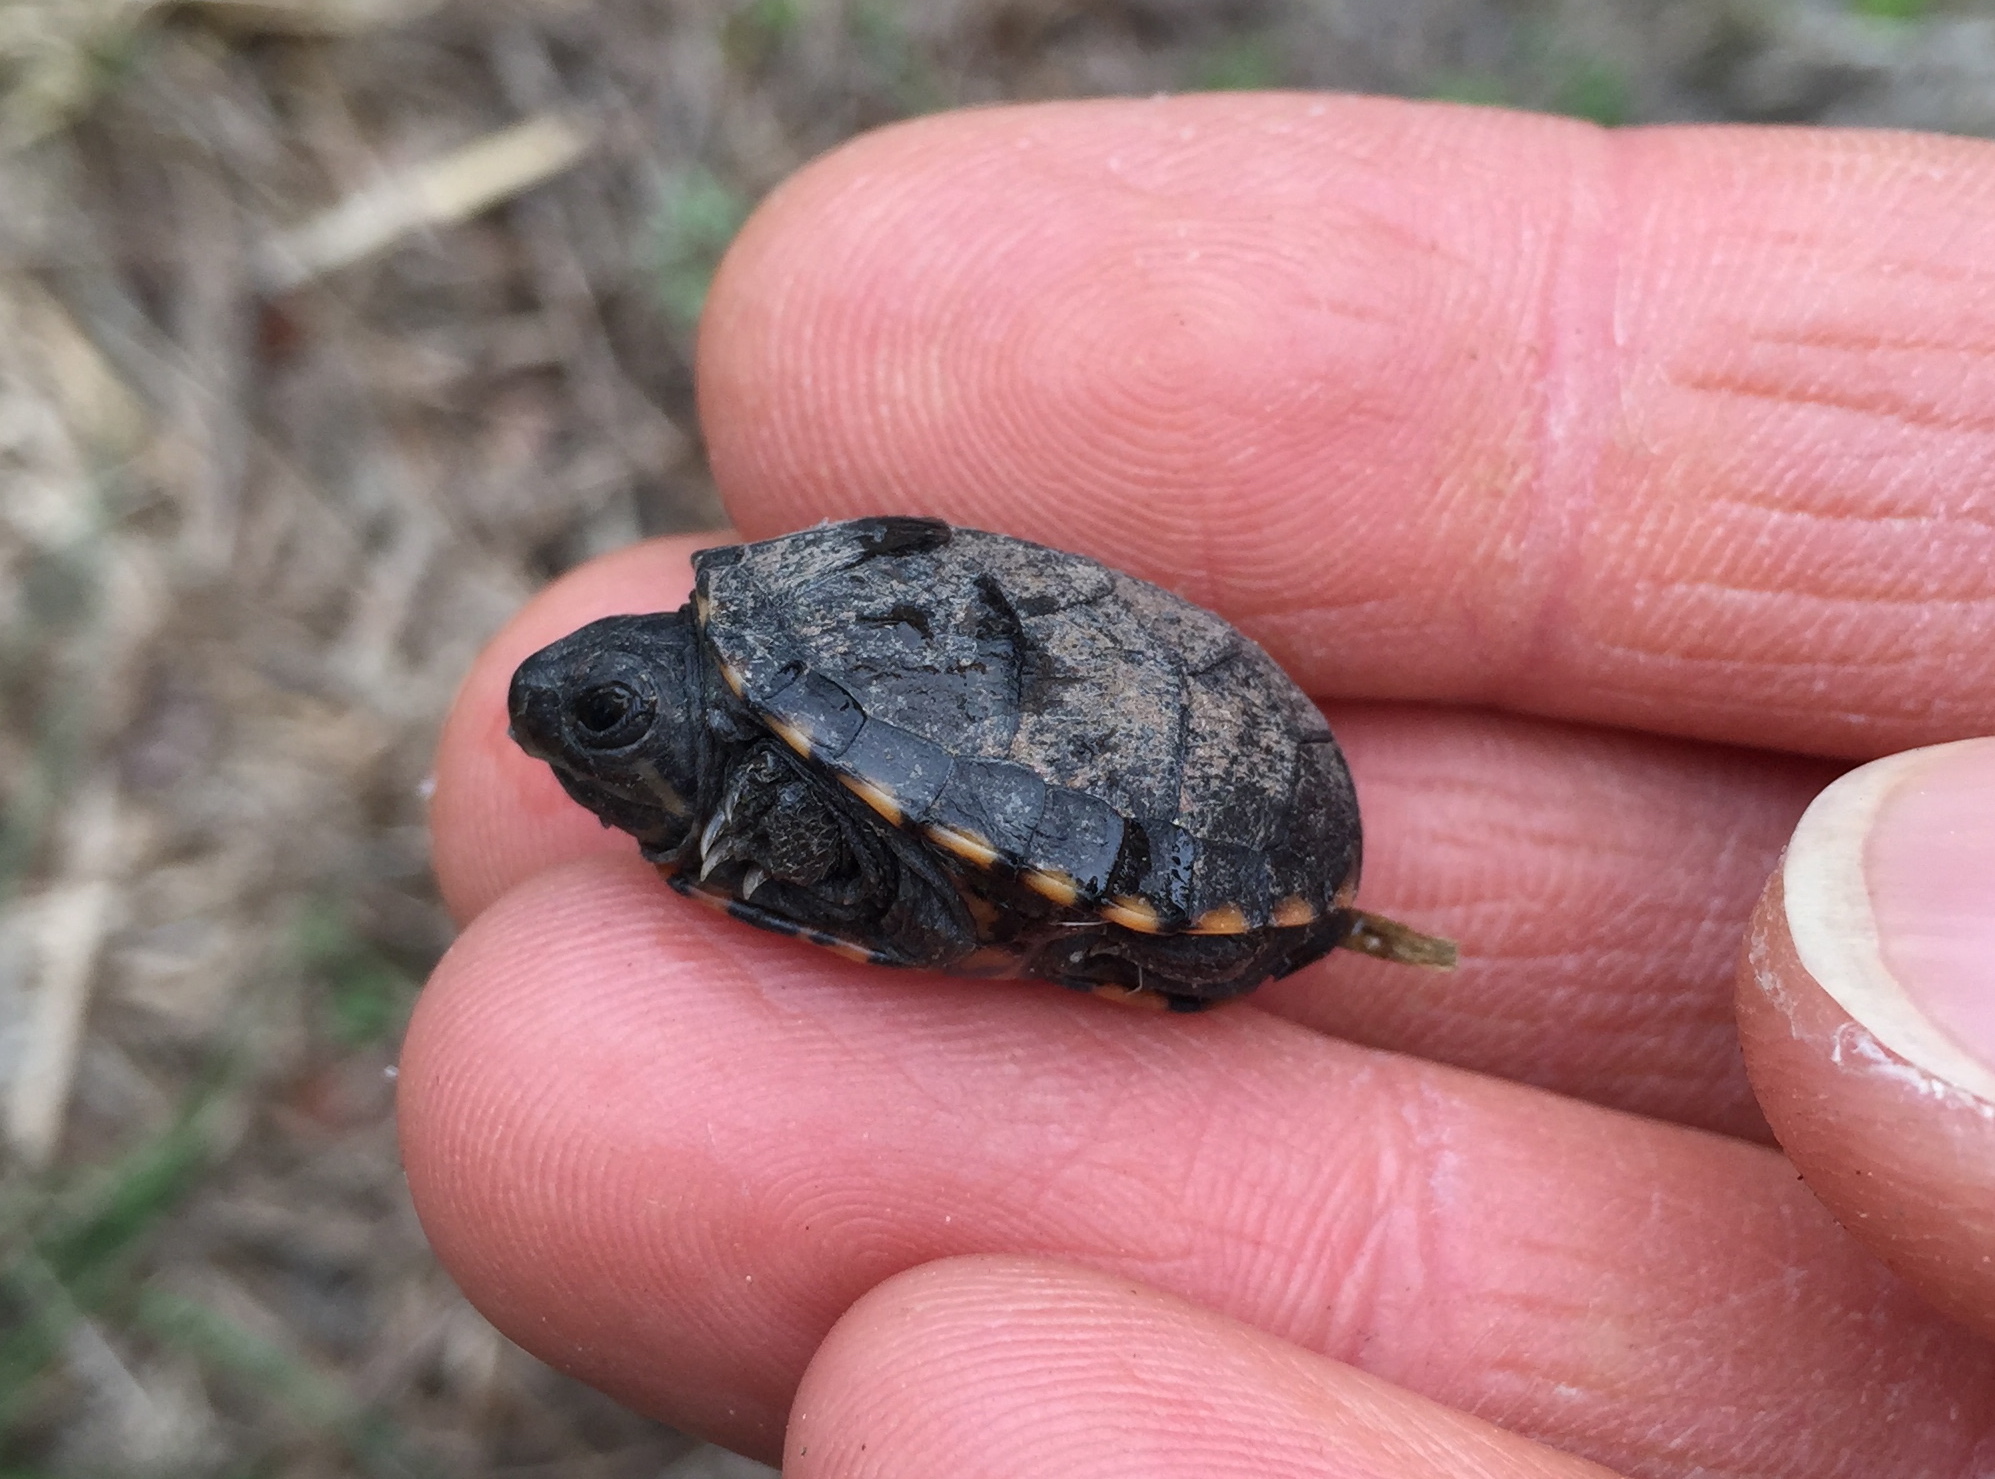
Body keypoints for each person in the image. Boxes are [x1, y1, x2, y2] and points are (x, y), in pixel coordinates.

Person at [399, 95, 1995, 1477]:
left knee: (1152, 928)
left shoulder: (797, 691)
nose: (575, 735)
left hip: (1227, 797)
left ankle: (1254, 934)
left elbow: (912, 826)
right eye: (590, 730)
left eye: (607, 725)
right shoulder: (776, 643)